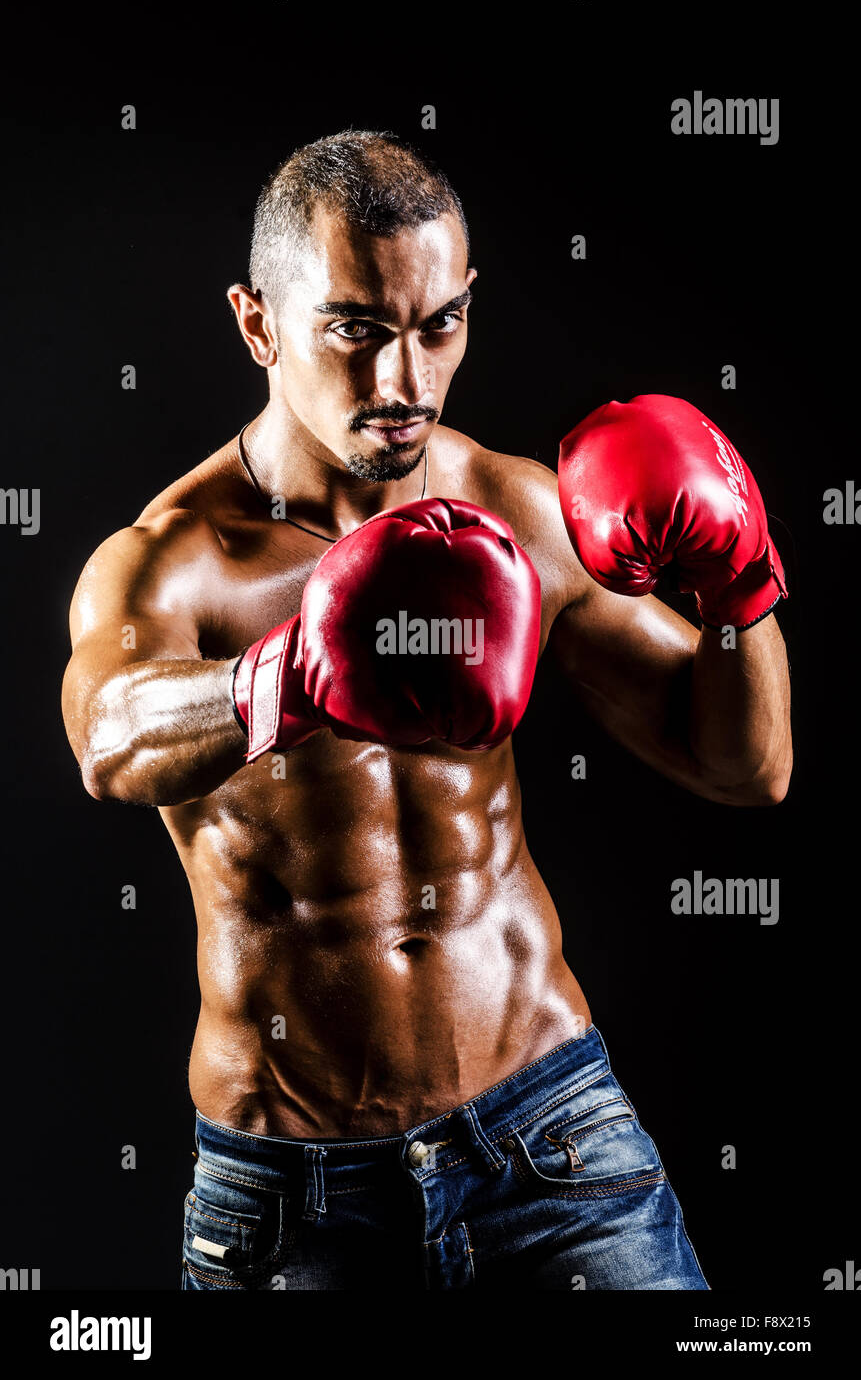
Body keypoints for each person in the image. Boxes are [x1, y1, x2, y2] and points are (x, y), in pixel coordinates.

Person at [61, 130, 791, 1290]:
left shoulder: (513, 507)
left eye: (438, 324)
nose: (403, 379)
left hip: (548, 1133)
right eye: (354, 328)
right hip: (290, 1192)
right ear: (259, 325)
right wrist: (293, 673)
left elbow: (744, 766)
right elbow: (110, 741)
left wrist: (741, 584)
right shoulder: (171, 563)